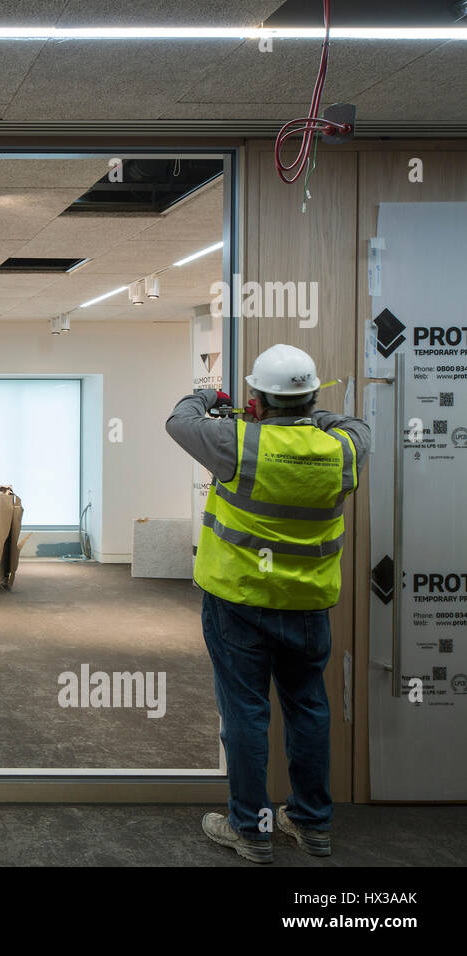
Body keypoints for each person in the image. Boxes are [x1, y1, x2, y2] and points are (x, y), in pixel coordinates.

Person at [166, 343, 370, 863]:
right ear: (310, 397)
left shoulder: (235, 441)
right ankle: (312, 824)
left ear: (256, 399)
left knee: (245, 714)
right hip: (306, 604)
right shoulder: (345, 449)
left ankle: (250, 831)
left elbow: (179, 420)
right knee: (307, 710)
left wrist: (208, 395)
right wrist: (305, 413)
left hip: (239, 601)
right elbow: (346, 422)